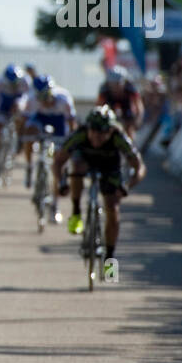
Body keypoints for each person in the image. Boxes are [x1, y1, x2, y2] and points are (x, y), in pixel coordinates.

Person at [53, 105, 146, 277]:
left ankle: (109, 261)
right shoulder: (79, 134)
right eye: (94, 130)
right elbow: (58, 161)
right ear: (88, 128)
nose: (97, 135)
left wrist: (127, 185)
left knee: (112, 209)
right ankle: (76, 213)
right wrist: (62, 182)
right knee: (77, 168)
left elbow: (139, 167)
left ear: (111, 130)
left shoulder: (119, 137)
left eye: (103, 132)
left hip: (110, 166)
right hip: (85, 160)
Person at [0, 64, 30, 181]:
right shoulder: (0, 81)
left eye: (14, 83)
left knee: (21, 117)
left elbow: (28, 98)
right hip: (3, 106)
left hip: (18, 103)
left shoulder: (25, 81)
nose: (12, 86)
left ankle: (19, 139)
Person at [98, 66, 144, 133]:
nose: (115, 88)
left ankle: (130, 139)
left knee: (130, 123)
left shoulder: (130, 87)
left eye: (118, 84)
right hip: (110, 102)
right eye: (113, 85)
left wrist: (137, 121)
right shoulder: (104, 89)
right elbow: (98, 107)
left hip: (126, 103)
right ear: (109, 84)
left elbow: (139, 106)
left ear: (124, 82)